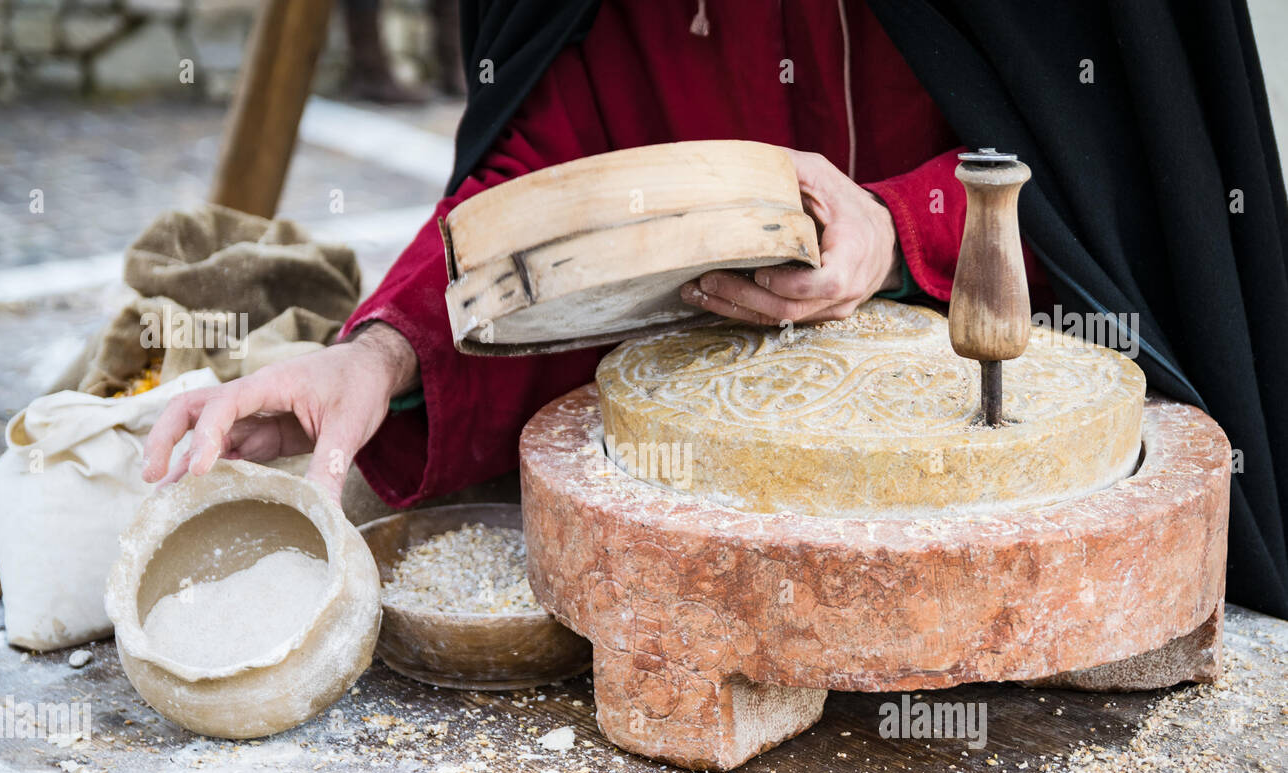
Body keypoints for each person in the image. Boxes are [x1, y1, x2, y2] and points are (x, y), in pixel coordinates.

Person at [144, 0, 1288, 619]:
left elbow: (1121, 181)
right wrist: (381, 353)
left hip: (1009, 507)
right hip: (722, 531)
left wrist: (902, 227)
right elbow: (549, 195)